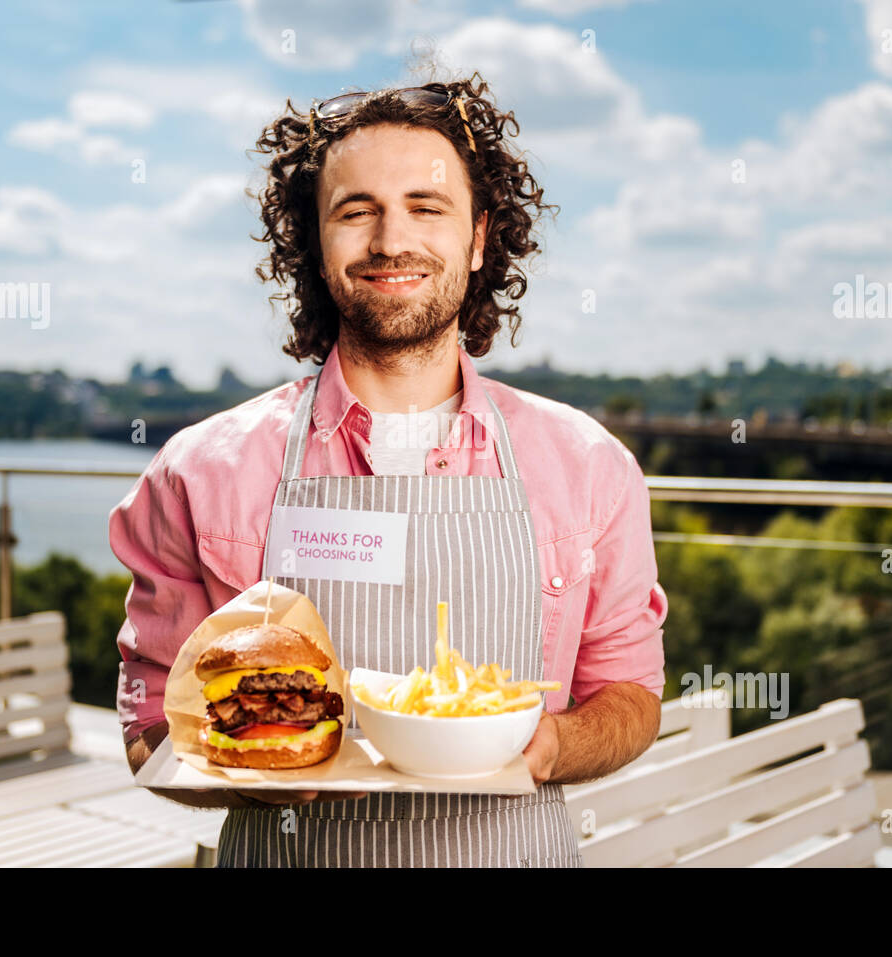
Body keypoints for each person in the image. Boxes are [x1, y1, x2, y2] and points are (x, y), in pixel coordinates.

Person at [111, 72, 668, 867]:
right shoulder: (200, 473)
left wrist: (542, 744)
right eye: (356, 210)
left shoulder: (588, 468)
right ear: (313, 241)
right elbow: (150, 733)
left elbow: (632, 698)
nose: (390, 241)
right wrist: (257, 768)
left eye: (425, 206)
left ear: (479, 239)